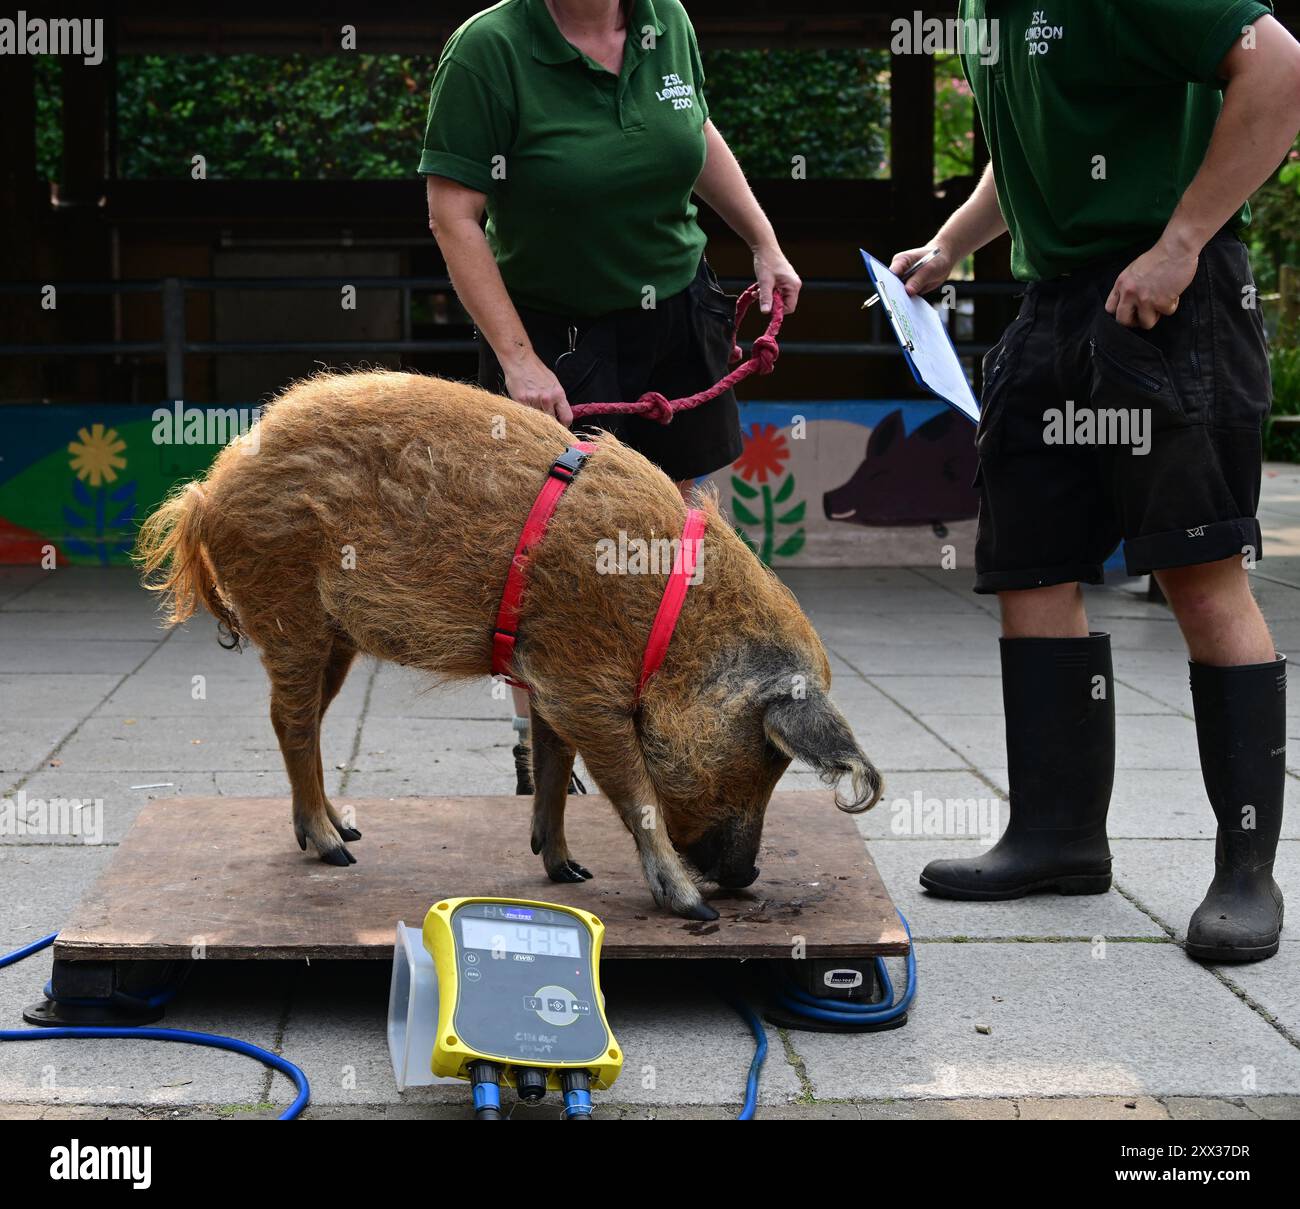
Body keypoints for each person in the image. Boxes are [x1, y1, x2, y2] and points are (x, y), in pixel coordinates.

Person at [892, 1, 1300, 962]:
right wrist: (954, 242)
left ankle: (1246, 872)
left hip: (1174, 302)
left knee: (1199, 574)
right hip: (1056, 304)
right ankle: (1057, 837)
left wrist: (1182, 240)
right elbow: (1028, 143)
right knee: (1029, 572)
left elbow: (1280, 69)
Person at [419, 0, 801, 795]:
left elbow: (693, 135)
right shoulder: (487, 50)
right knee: (549, 552)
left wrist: (763, 241)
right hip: (553, 336)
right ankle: (546, 756)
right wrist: (517, 360)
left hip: (676, 315)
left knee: (681, 528)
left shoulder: (669, 20)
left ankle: (670, 730)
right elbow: (453, 214)